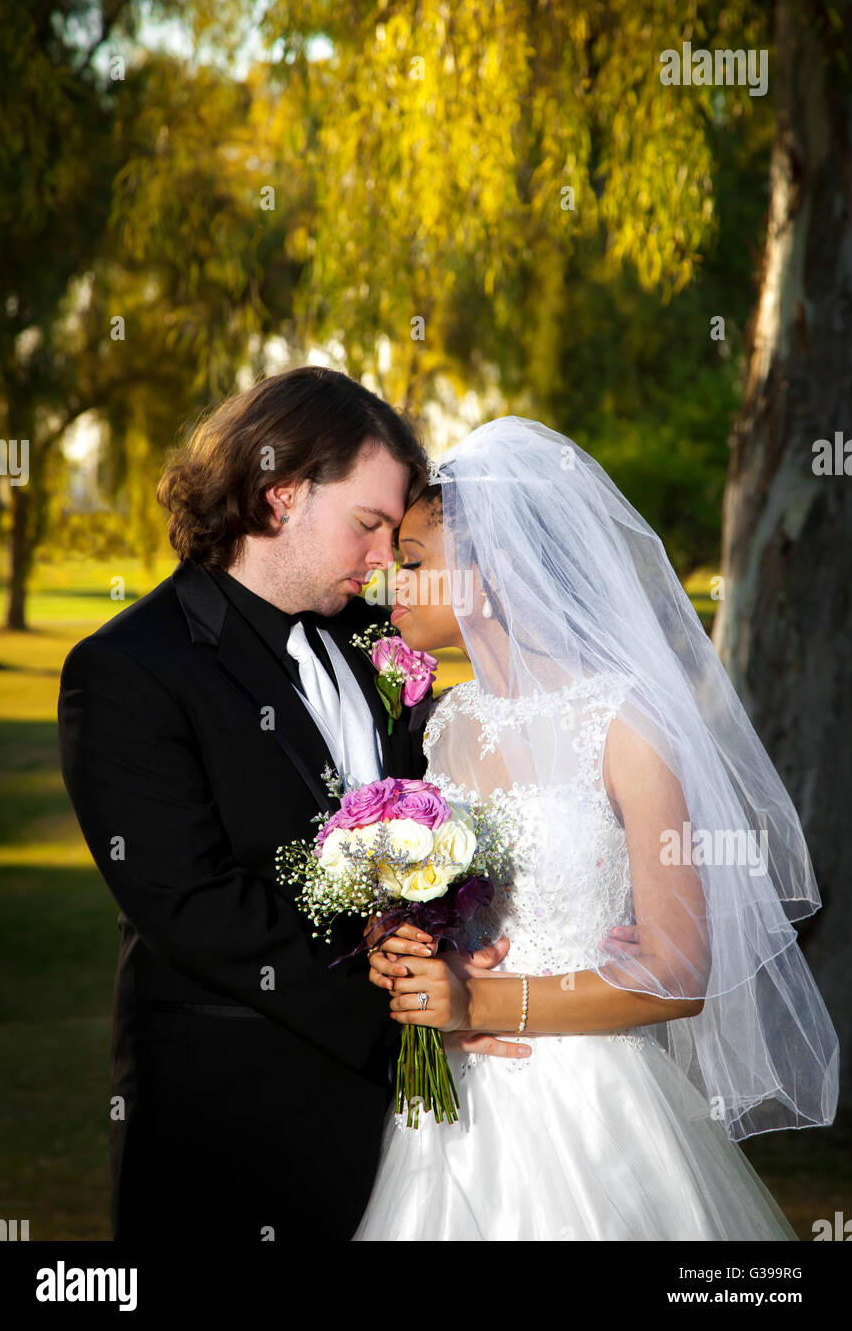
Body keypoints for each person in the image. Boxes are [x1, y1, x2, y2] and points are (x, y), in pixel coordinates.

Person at [56, 365, 519, 1243]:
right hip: (233, 1126)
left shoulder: (372, 640)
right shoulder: (128, 670)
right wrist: (411, 1007)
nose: (387, 559)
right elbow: (192, 908)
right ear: (280, 497)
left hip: (409, 1140)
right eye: (369, 525)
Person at [357, 415, 839, 1241]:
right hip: (455, 1108)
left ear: (493, 568)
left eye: (413, 564)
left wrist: (481, 998)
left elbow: (681, 976)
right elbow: (440, 901)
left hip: (585, 1108)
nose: (389, 587)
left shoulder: (628, 724)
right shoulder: (447, 723)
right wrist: (397, 940)